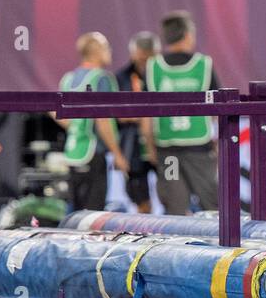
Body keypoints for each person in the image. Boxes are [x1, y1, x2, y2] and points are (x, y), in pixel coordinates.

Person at [145, 11, 220, 215]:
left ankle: (175, 247)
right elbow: (218, 109)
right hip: (198, 148)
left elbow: (145, 114)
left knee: (174, 207)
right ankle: (221, 247)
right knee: (212, 206)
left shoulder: (153, 67)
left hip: (168, 149)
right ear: (188, 35)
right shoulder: (203, 65)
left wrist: (150, 146)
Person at [56, 32, 129, 212]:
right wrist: (117, 153)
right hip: (93, 153)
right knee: (93, 213)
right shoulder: (101, 78)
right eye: (106, 47)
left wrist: (77, 126)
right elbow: (103, 120)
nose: (110, 52)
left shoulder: (68, 78)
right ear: (97, 51)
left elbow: (56, 112)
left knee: (76, 211)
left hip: (73, 152)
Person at [115, 31, 159, 214]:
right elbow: (116, 113)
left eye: (149, 59)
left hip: (160, 142)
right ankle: (145, 234)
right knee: (139, 196)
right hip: (132, 145)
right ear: (133, 54)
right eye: (141, 59)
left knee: (172, 191)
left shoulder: (162, 74)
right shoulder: (122, 77)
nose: (145, 64)